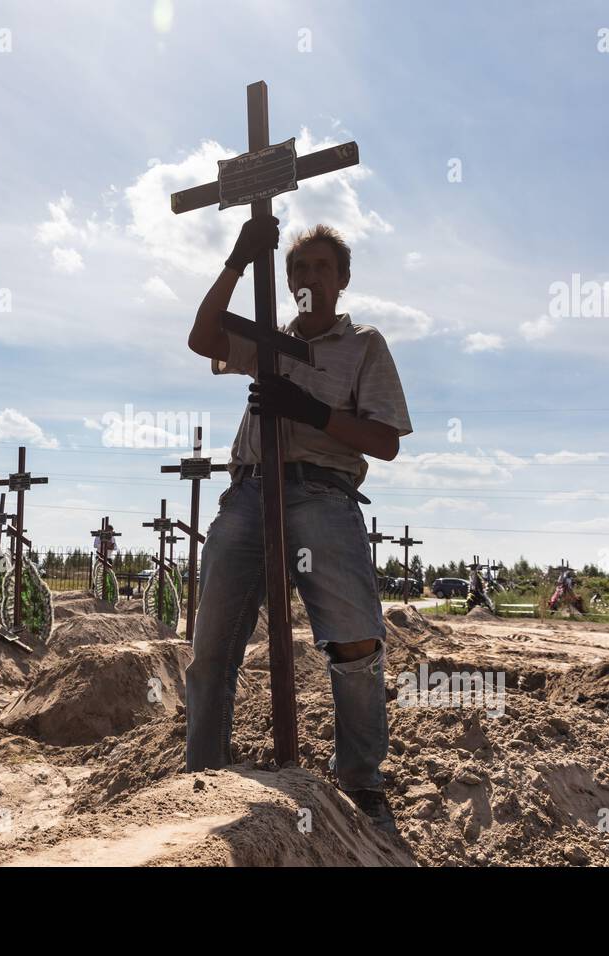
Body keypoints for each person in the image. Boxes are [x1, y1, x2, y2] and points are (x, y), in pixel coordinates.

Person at [184, 217, 412, 822]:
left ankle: (361, 781)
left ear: (342, 280)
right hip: (251, 494)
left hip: (322, 494)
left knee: (355, 644)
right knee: (211, 649)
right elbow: (202, 337)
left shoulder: (364, 345)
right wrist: (236, 259)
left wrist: (311, 411)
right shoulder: (267, 339)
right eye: (298, 268)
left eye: (321, 267)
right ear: (286, 283)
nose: (309, 276)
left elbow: (385, 442)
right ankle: (202, 779)